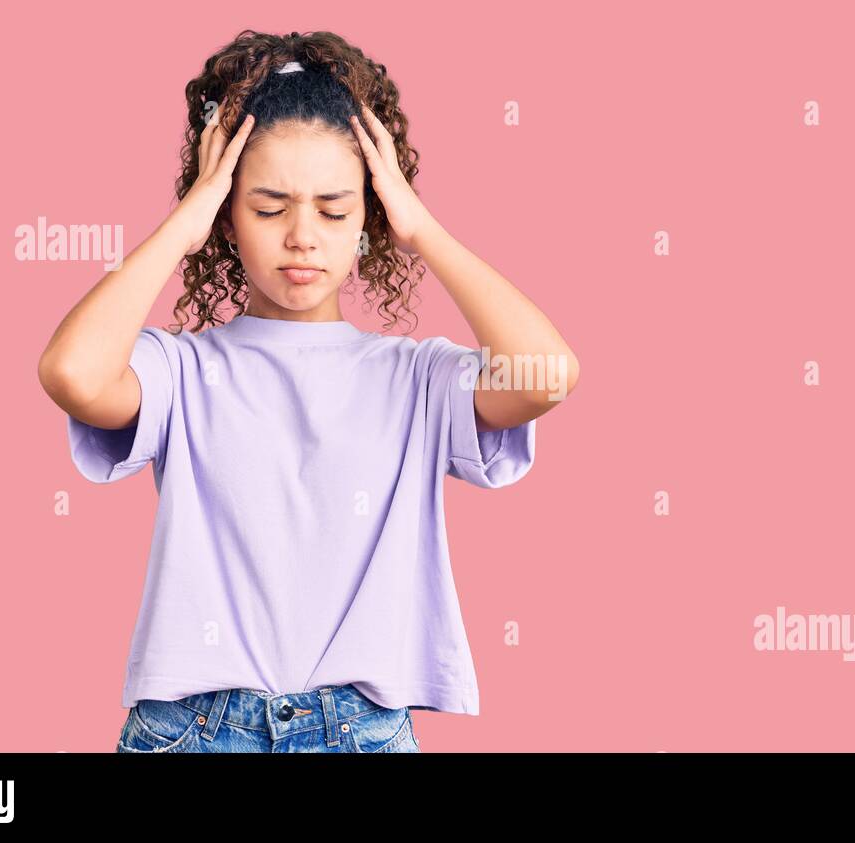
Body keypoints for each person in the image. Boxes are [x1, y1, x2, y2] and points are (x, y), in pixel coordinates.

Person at [36, 29, 579, 753]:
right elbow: (72, 373)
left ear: (369, 217)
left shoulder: (416, 378)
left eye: (333, 208)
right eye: (267, 208)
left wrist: (421, 227)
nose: (302, 236)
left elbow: (548, 373)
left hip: (358, 732)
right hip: (192, 731)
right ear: (227, 216)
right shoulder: (182, 371)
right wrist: (183, 224)